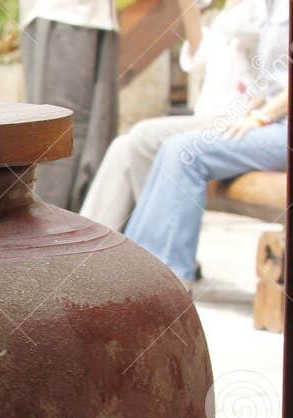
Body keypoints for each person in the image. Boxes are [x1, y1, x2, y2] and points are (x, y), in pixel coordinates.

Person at [82, 0, 279, 230]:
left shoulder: (262, 7)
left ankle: (155, 240)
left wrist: (259, 115)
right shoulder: (228, 10)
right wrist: (189, 8)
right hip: (209, 116)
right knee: (123, 146)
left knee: (143, 138)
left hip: (237, 119)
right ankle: (90, 242)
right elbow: (199, 57)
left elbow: (273, 66)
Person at [123, 84, 288, 286]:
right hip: (271, 123)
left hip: (282, 128)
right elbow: (268, 88)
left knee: (184, 152)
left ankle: (170, 281)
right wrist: (234, 117)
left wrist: (261, 117)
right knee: (170, 145)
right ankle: (135, 268)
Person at [20, 0, 121, 210]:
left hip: (97, 17)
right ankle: (51, 237)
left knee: (98, 142)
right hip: (63, 16)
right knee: (60, 147)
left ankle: (79, 233)